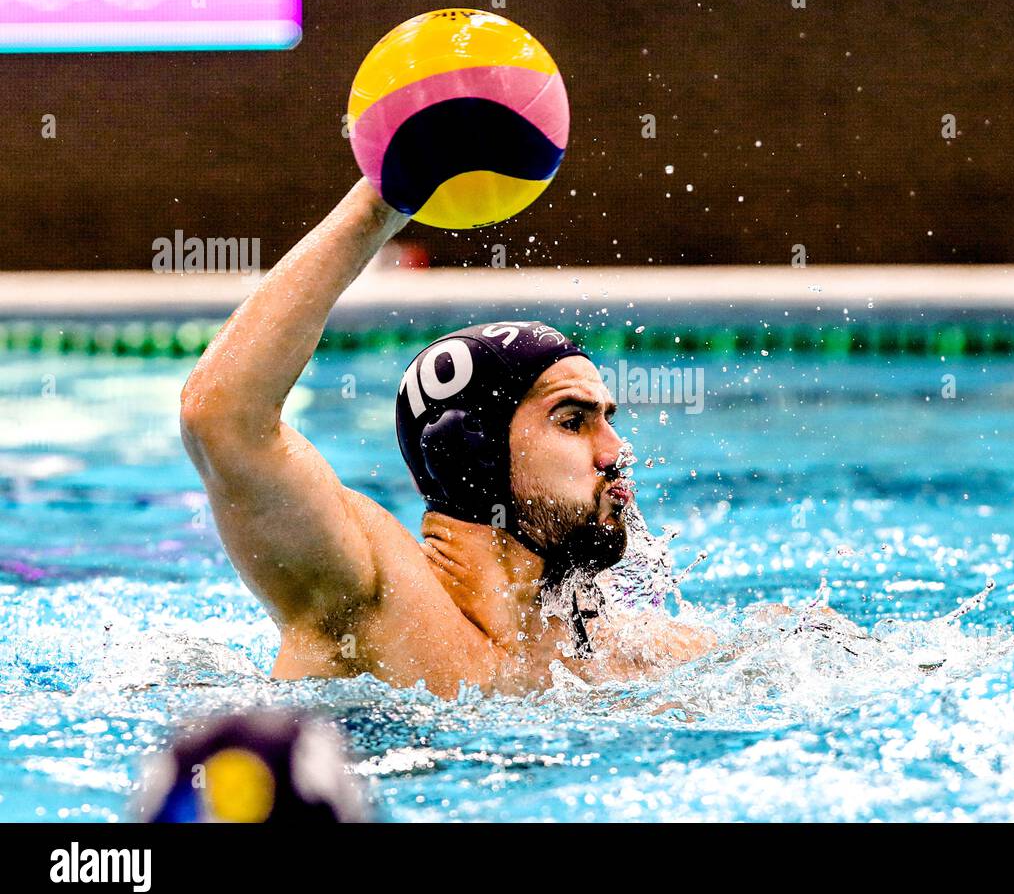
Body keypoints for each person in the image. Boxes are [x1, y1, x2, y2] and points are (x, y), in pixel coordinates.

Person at [180, 179, 715, 697]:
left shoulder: (623, 652)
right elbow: (220, 420)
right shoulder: (370, 593)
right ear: (474, 454)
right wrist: (381, 204)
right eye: (573, 421)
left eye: (608, 419)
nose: (616, 450)